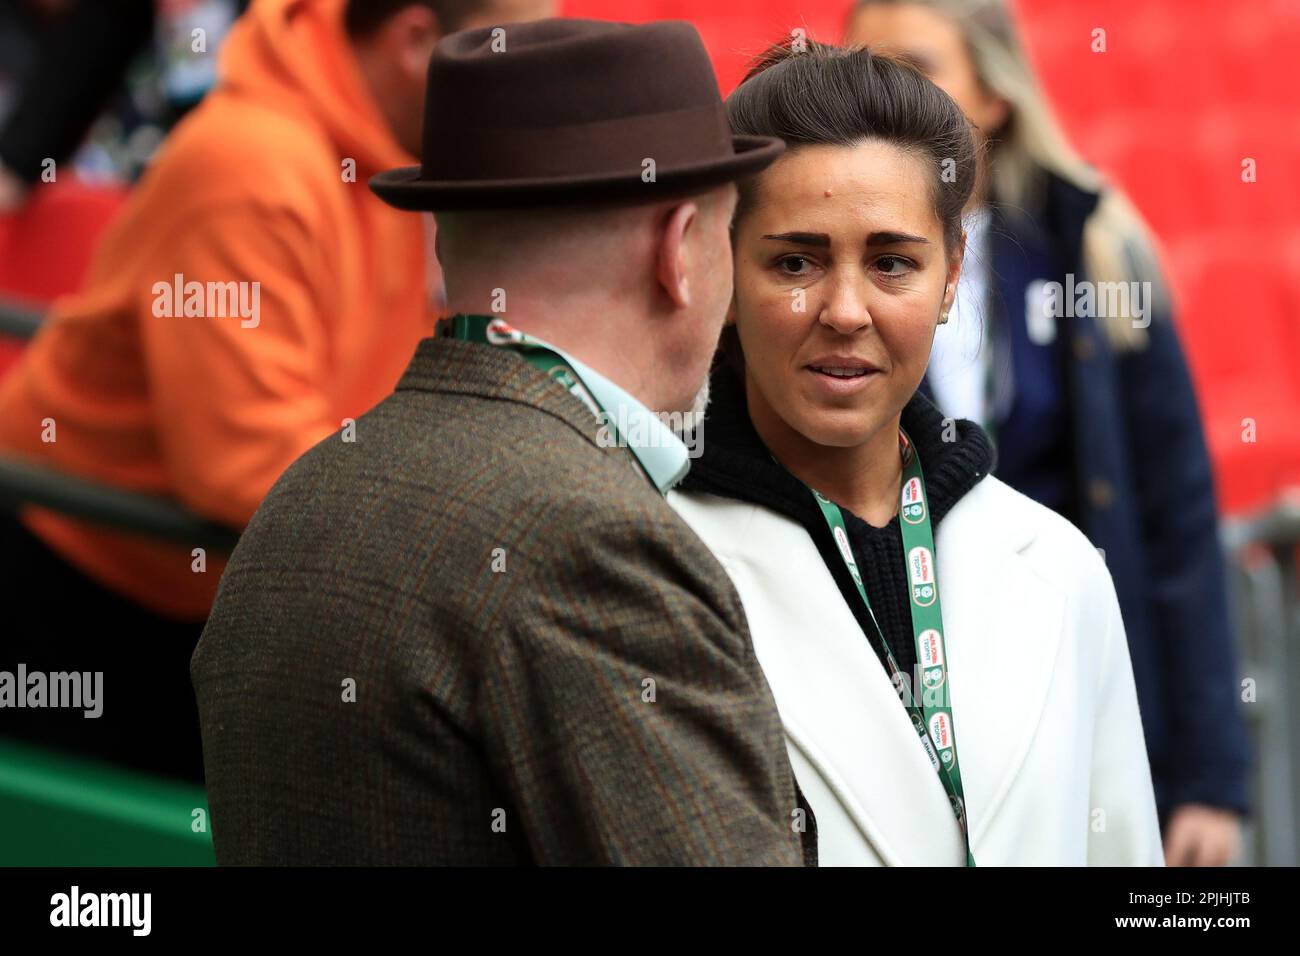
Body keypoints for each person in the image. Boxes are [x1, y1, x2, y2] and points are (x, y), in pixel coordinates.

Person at [191, 18, 811, 866]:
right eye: (728, 232)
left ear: (446, 239)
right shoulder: (599, 547)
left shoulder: (303, 496)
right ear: (680, 251)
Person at [0, 0, 551, 781]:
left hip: (225, 591)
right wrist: (467, 533)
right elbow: (241, 464)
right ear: (414, 42)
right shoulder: (252, 165)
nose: (529, 100)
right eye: (511, 61)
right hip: (87, 589)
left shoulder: (392, 153)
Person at [668, 40, 1163, 865]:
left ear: (951, 276)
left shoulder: (1060, 568)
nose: (846, 310)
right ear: (721, 265)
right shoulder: (647, 564)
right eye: (796, 261)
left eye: (893, 263)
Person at [845, 0, 1249, 866]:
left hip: (1071, 693)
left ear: (993, 96)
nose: (888, 103)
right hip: (899, 703)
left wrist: (1207, 781)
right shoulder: (830, 275)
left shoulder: (1093, 251)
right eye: (866, 75)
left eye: (917, 70)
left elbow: (1178, 523)